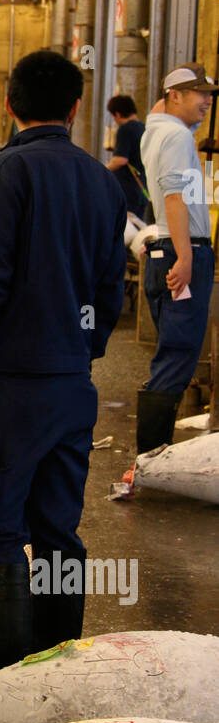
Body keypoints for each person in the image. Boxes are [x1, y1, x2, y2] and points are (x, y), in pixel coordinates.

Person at [0, 50, 126, 674]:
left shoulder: (7, 172)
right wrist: (80, 351)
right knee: (57, 530)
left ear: (8, 104)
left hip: (11, 392)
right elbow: (110, 289)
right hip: (73, 385)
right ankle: (56, 668)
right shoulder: (102, 181)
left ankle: (8, 684)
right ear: (76, 109)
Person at [132, 63, 217, 456]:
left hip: (166, 248)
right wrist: (185, 257)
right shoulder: (177, 136)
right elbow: (174, 197)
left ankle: (152, 455)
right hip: (184, 250)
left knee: (172, 350)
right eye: (200, 94)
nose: (207, 102)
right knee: (179, 354)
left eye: (210, 95)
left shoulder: (159, 130)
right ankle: (152, 458)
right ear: (175, 96)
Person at [106, 94, 149, 218]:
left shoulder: (125, 129)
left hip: (127, 189)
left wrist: (103, 170)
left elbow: (120, 160)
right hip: (141, 187)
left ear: (117, 114)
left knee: (125, 225)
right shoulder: (144, 128)